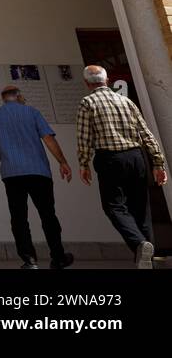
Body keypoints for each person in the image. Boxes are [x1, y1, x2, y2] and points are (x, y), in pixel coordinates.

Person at [75, 65, 168, 269]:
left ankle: (139, 244)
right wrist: (158, 162)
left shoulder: (88, 102)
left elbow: (84, 137)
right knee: (140, 207)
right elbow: (146, 134)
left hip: (109, 159)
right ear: (107, 80)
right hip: (135, 157)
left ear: (87, 83)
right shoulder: (125, 101)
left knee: (113, 205)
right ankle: (147, 260)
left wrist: (83, 163)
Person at [0, 83, 73, 269]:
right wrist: (63, 162)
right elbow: (48, 139)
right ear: (19, 96)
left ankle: (30, 260)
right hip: (39, 172)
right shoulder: (33, 112)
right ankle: (58, 257)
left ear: (3, 98)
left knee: (19, 218)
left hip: (12, 174)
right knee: (48, 215)